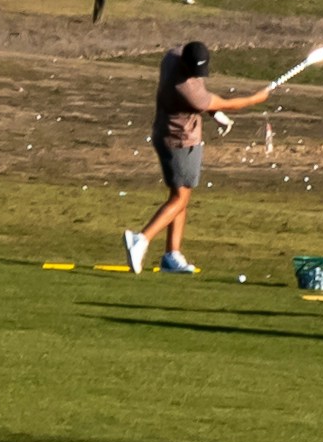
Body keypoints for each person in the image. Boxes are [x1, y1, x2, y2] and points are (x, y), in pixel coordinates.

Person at [124, 38, 290, 277]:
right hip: (180, 141)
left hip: (167, 135)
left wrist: (214, 114)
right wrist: (256, 99)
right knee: (180, 199)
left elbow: (210, 104)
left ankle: (172, 255)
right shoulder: (188, 91)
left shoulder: (172, 57)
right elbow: (227, 103)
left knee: (180, 194)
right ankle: (141, 239)